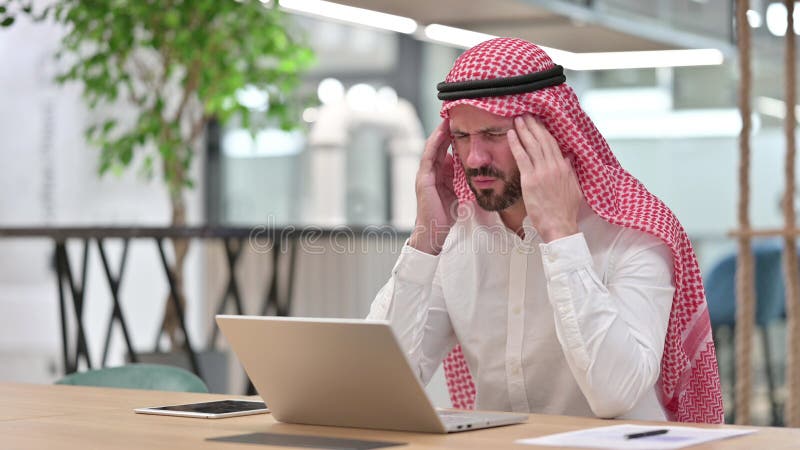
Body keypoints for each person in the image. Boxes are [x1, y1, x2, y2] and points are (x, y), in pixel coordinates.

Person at [367, 38, 723, 423]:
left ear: (551, 133)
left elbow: (614, 397)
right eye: (462, 137)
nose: (474, 159)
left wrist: (561, 237)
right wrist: (426, 239)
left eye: (494, 134)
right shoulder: (458, 233)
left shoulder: (634, 231)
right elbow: (381, 383)